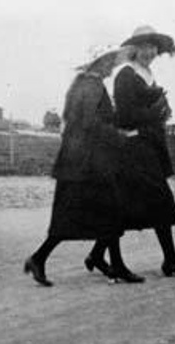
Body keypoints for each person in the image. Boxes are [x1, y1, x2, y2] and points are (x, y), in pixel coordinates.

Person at [24, 46, 144, 286]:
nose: (112, 66)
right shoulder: (92, 85)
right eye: (108, 62)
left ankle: (104, 262)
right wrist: (121, 135)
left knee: (99, 215)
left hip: (79, 162)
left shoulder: (82, 83)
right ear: (97, 64)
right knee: (90, 216)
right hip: (87, 163)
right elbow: (89, 123)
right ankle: (41, 258)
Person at [89, 25, 175, 278]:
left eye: (154, 48)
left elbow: (149, 107)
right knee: (152, 200)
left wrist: (163, 109)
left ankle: (102, 255)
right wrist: (156, 112)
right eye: (144, 47)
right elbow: (125, 116)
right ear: (133, 49)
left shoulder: (147, 73)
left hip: (148, 145)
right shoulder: (125, 74)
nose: (150, 52)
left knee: (141, 204)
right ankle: (163, 260)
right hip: (132, 148)